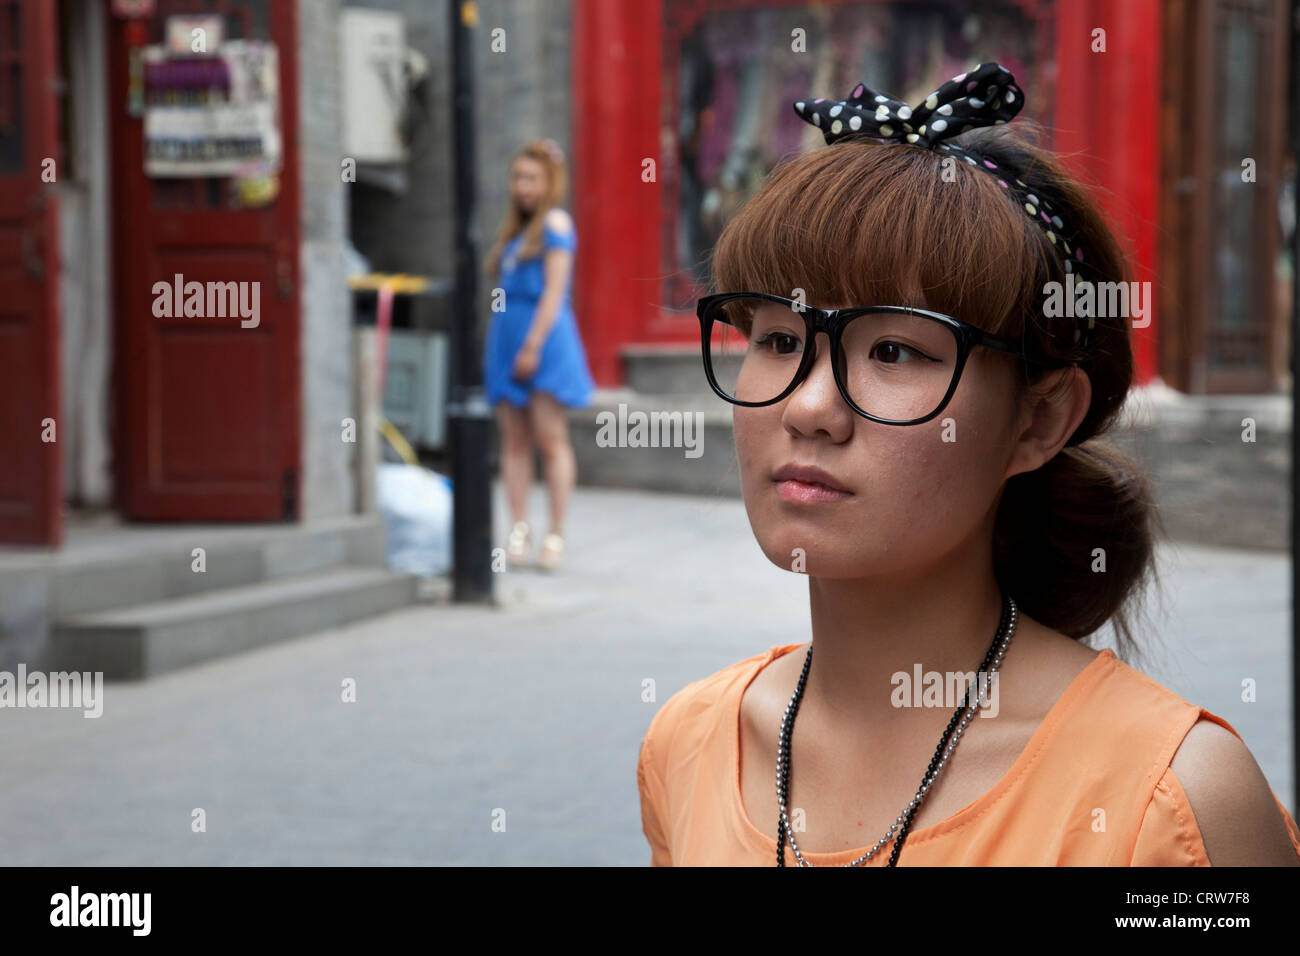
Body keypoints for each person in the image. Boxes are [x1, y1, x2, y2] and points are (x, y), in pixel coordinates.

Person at [636, 63, 1300, 866]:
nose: (808, 407)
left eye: (893, 349)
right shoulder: (694, 744)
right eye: (780, 340)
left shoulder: (1166, 804)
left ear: (1040, 418)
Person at [482, 138, 595, 572]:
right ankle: (518, 530)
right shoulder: (514, 231)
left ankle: (555, 533)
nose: (522, 186)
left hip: (544, 341)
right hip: (506, 341)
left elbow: (554, 291)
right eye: (517, 177)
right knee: (513, 442)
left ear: (549, 182)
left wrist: (532, 344)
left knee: (550, 440)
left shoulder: (556, 223)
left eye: (531, 178)